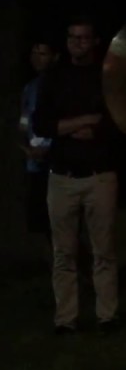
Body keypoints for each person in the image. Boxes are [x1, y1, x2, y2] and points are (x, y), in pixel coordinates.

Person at [31, 15, 119, 334]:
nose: (77, 44)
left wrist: (89, 125)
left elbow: (117, 120)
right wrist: (83, 122)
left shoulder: (106, 76)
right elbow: (41, 123)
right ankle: (66, 318)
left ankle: (107, 314)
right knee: (63, 252)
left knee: (103, 249)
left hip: (99, 175)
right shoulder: (53, 78)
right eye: (72, 38)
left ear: (94, 41)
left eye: (83, 38)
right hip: (62, 176)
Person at [18, 39, 57, 241]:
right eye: (34, 52)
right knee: (40, 224)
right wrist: (26, 148)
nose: (37, 58)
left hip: (55, 164)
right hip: (34, 164)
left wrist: (48, 150)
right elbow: (24, 124)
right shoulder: (29, 88)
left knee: (60, 223)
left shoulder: (58, 85)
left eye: (43, 53)